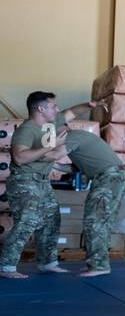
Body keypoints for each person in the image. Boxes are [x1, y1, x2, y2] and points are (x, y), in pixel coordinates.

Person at [0, 92, 74, 278]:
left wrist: (91, 105)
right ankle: (6, 266)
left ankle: (47, 262)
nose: (56, 109)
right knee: (28, 221)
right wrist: (52, 145)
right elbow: (19, 157)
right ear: (40, 109)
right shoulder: (27, 130)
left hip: (42, 182)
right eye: (53, 106)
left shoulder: (47, 127)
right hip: (24, 181)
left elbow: (71, 113)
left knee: (52, 219)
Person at [62, 116, 125, 277]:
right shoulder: (76, 144)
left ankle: (99, 265)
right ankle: (97, 262)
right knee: (100, 221)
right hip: (111, 177)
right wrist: (51, 164)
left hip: (110, 177)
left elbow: (51, 154)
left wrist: (35, 156)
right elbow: (74, 169)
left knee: (96, 220)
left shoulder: (72, 137)